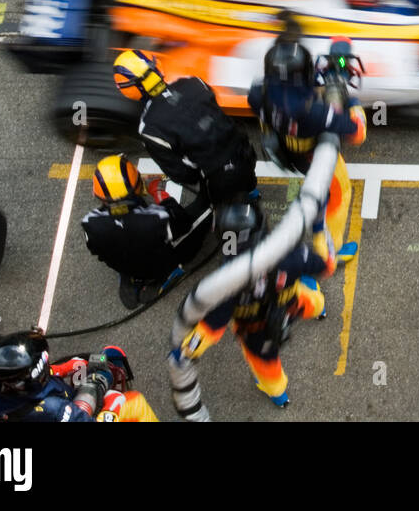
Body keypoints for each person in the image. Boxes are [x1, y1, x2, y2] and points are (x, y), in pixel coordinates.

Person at [176, 201, 334, 408]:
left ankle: (279, 394)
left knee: (267, 369)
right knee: (312, 300)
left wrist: (187, 351)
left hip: (257, 333)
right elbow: (326, 264)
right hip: (293, 304)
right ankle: (320, 310)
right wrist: (319, 229)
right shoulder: (290, 255)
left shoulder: (226, 284)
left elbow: (209, 330)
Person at [113, 49, 258, 210]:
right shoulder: (193, 81)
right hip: (244, 150)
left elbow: (182, 173)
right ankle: (252, 193)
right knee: (248, 181)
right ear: (157, 67)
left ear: (129, 89)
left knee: (223, 208)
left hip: (219, 176)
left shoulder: (149, 129)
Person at [80, 153, 213, 309]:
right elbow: (182, 223)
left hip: (125, 264)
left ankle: (130, 276)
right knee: (207, 209)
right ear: (137, 187)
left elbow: (99, 253)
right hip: (159, 262)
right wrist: (158, 193)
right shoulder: (156, 219)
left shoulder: (89, 224)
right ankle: (167, 274)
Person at [247, 31, 367, 175]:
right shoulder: (318, 114)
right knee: (339, 187)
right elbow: (358, 134)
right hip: (309, 157)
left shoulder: (256, 94)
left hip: (284, 148)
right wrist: (350, 103)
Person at [0, 331, 157, 422]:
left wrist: (56, 370)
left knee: (82, 366)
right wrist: (111, 410)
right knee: (131, 401)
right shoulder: (54, 410)